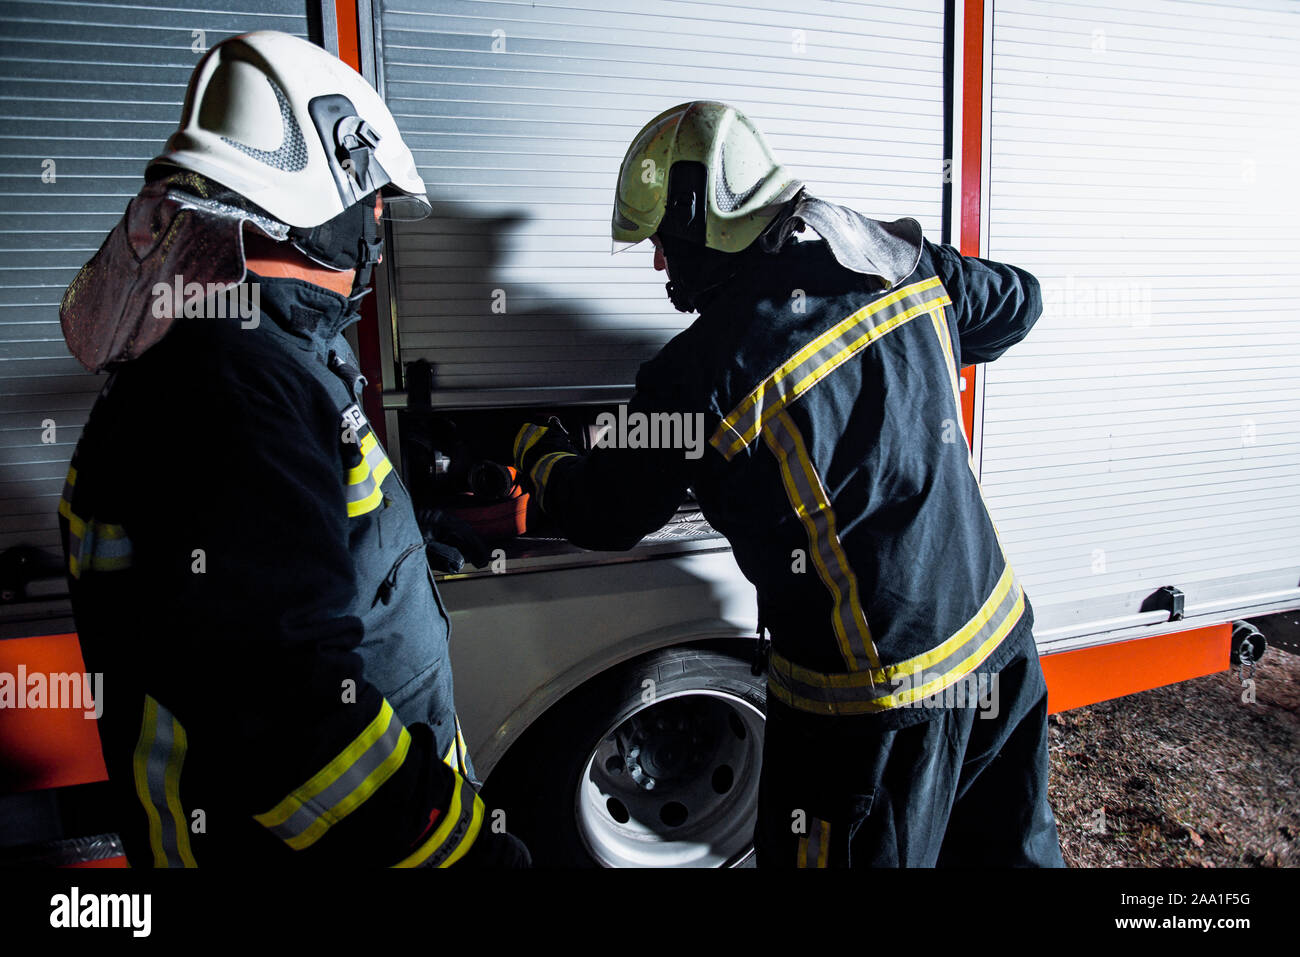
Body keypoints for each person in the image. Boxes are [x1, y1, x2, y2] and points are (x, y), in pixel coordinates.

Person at [513, 101, 1063, 867]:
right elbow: (1019, 303)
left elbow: (605, 512)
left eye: (663, 243)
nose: (659, 266)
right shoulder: (897, 270)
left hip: (874, 717)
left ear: (699, 223)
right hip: (1002, 653)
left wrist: (539, 451)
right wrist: (904, 260)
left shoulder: (695, 377)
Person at [57, 31, 526, 867]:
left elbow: (279, 568)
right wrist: (452, 844)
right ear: (329, 199)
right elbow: (283, 712)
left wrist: (397, 559)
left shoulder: (258, 351)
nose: (378, 223)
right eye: (373, 199)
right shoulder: (233, 382)